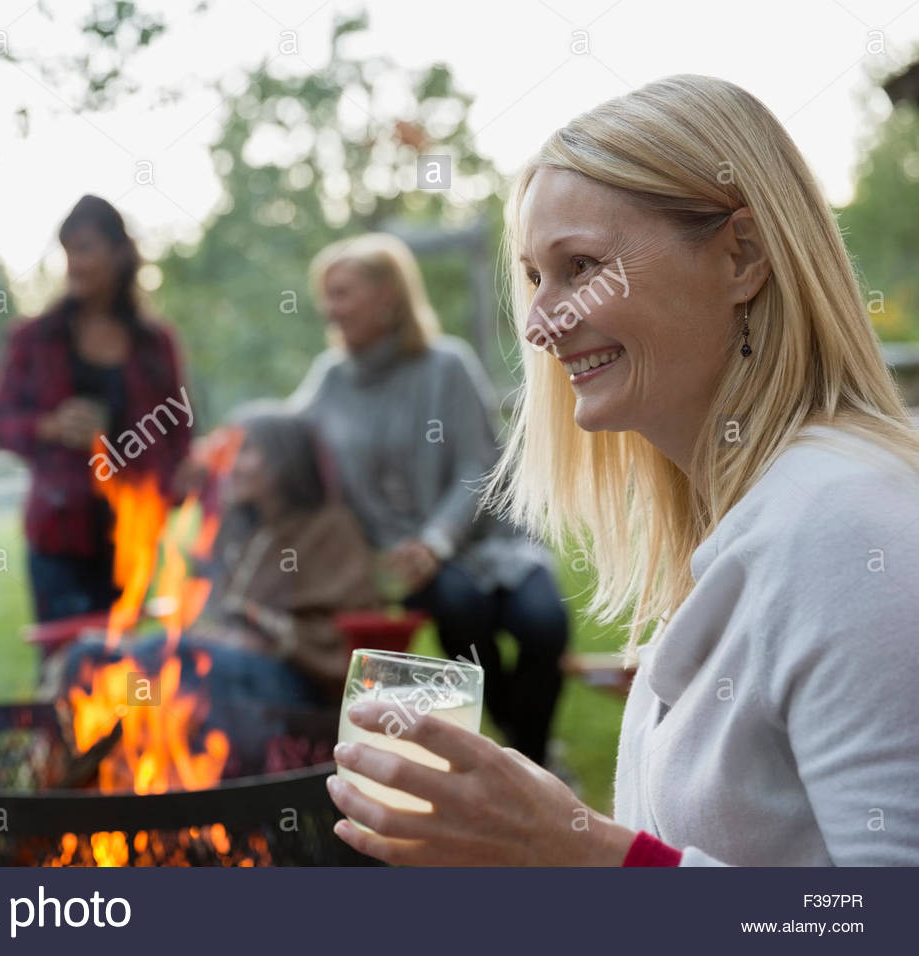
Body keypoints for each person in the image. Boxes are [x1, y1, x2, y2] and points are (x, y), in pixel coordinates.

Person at [326, 74, 919, 866]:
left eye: (581, 266)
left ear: (742, 257)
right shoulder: (758, 518)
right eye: (536, 278)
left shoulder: (844, 524)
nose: (540, 323)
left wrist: (584, 859)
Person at [288, 232, 570, 767]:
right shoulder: (331, 380)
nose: (330, 309)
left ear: (389, 298)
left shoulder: (447, 365)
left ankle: (529, 757)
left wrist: (437, 540)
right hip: (408, 562)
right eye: (327, 294)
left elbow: (477, 465)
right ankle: (527, 760)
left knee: (544, 622)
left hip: (491, 543)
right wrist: (230, 446)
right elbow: (286, 435)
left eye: (342, 293)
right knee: (464, 609)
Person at [52, 406, 380, 710]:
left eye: (246, 450)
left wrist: (264, 640)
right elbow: (208, 612)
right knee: (89, 657)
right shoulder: (236, 531)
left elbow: (345, 634)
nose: (230, 463)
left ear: (287, 459)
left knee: (176, 658)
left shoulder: (329, 529)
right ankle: (109, 764)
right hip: (220, 665)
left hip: (297, 683)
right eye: (227, 450)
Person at [0, 194, 192, 623]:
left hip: (132, 531)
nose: (74, 264)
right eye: (67, 252)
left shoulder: (156, 343)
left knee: (118, 664)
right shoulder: (34, 339)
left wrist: (172, 487)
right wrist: (49, 427)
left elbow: (180, 430)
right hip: (59, 534)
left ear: (119, 253)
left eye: (85, 249)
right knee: (65, 668)